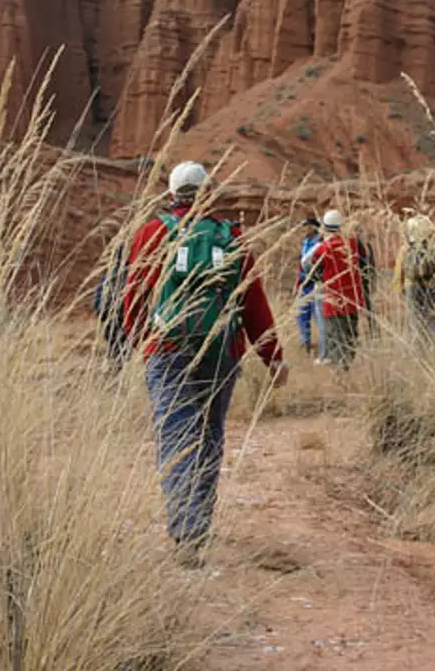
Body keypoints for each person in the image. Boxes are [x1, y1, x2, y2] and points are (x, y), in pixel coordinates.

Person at [122, 160, 289, 568]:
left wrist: (140, 341)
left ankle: (187, 530)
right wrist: (274, 358)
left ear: (171, 193)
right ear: (208, 193)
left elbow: (133, 294)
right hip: (221, 350)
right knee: (209, 435)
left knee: (176, 435)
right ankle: (199, 521)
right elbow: (254, 302)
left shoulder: (152, 232)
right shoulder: (230, 237)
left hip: (167, 348)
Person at [307, 209, 365, 376]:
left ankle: (340, 375)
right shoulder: (352, 244)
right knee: (350, 339)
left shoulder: (324, 248)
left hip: (332, 302)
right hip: (352, 300)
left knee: (335, 341)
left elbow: (313, 272)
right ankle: (345, 370)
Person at [394, 214, 435, 340]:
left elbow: (399, 272)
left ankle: (418, 347)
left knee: (415, 321)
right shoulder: (431, 248)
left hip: (411, 287)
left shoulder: (405, 249)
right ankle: (430, 345)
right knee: (429, 318)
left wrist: (401, 288)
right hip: (428, 286)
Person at [92, 239, 130, 369]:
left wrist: (103, 315)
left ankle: (115, 373)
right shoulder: (132, 275)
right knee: (123, 352)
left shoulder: (108, 277)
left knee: (114, 350)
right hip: (126, 323)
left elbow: (97, 302)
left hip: (110, 323)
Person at [295, 218, 321, 355]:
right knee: (302, 314)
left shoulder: (319, 243)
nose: (303, 230)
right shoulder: (305, 243)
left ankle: (325, 344)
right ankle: (305, 342)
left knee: (318, 315)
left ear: (313, 228)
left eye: (306, 227)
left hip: (315, 284)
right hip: (304, 284)